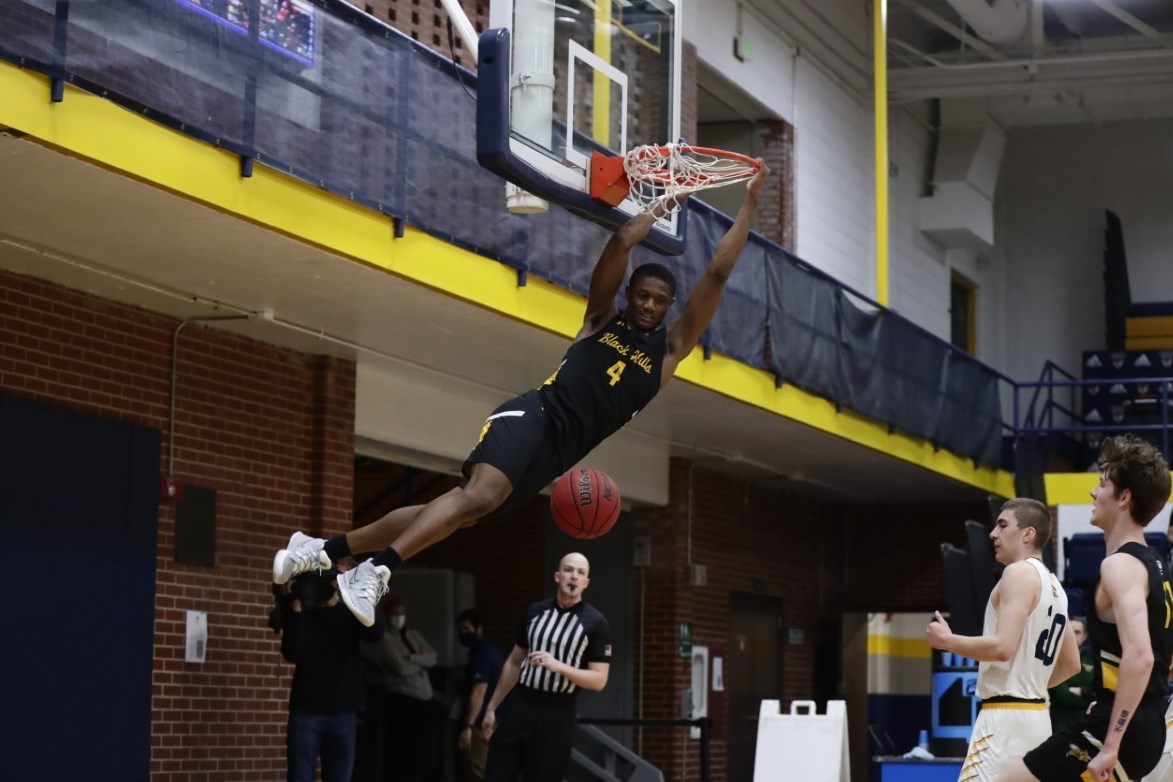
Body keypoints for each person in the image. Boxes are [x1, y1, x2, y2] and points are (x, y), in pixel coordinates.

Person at [271, 164, 771, 625]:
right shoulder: (600, 319)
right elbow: (621, 242)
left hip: (557, 454)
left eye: (659, 301)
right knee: (478, 496)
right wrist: (661, 204)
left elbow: (718, 273)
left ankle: (321, 548)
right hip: (534, 414)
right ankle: (373, 571)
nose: (648, 304)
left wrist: (748, 203)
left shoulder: (670, 351)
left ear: (668, 308)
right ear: (629, 296)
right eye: (642, 295)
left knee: (462, 512)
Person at [996, 434, 1173, 782]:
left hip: (1120, 732)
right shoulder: (1155, 566)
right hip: (1144, 725)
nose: (1093, 493)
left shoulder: (1119, 566)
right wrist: (1109, 699)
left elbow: (1141, 657)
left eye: (1102, 484)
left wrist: (1112, 740)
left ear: (1124, 497)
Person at [926, 498, 1081, 782]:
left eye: (1002, 525)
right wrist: (1027, 683)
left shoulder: (1018, 572)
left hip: (1005, 718)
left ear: (1028, 533)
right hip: (1037, 717)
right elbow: (1072, 664)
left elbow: (1002, 648)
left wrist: (948, 641)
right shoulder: (1055, 585)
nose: (992, 534)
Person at [479, 552, 610, 782]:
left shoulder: (596, 623)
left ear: (586, 582)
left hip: (557, 711)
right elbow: (514, 662)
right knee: (496, 773)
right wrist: (492, 707)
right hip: (521, 702)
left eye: (581, 573)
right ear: (557, 576)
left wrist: (558, 666)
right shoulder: (534, 612)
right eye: (569, 570)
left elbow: (599, 680)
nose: (574, 576)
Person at [280, 567, 384, 782]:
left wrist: (353, 592)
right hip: (306, 711)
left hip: (343, 711)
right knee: (300, 776)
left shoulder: (349, 615)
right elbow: (292, 652)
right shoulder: (302, 615)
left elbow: (375, 634)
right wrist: (295, 609)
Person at [360, 594, 439, 782]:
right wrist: (420, 659)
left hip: (424, 700)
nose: (399, 616)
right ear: (387, 616)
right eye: (395, 613)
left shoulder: (414, 635)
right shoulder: (386, 639)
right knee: (402, 751)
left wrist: (411, 658)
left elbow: (433, 658)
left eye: (402, 613)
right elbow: (400, 668)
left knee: (422, 751)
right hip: (403, 700)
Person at [456, 608, 505, 781]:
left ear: (479, 629)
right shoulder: (493, 651)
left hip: (481, 724)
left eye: (467, 629)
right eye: (461, 630)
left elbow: (479, 691)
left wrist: (468, 727)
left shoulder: (481, 654)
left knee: (479, 772)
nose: (463, 634)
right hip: (496, 720)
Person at [1048, 615, 1093, 733]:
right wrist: (1088, 694)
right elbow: (1064, 698)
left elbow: (1099, 693)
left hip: (1086, 728)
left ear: (1085, 636)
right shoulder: (1052, 661)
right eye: (1070, 632)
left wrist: (1083, 692)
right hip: (1057, 727)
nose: (1073, 635)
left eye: (1077, 632)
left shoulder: (1093, 662)